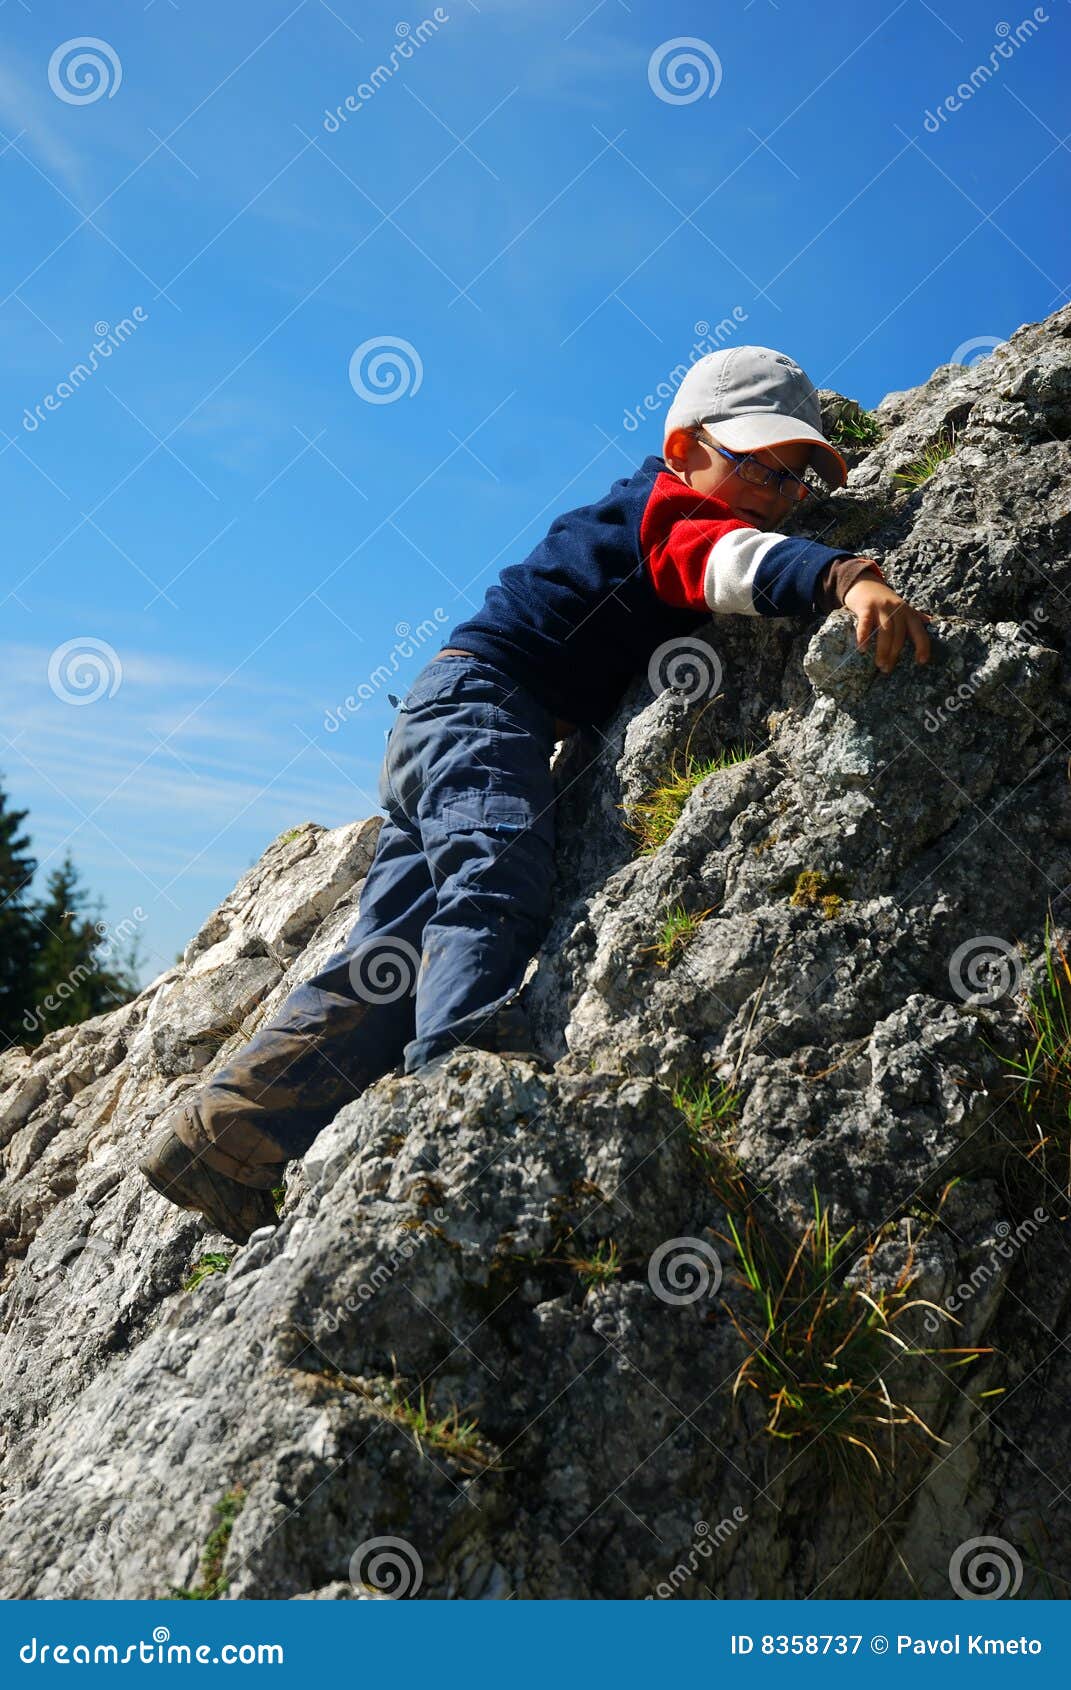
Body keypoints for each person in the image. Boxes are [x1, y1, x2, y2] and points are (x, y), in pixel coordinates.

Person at [140, 345, 932, 1242]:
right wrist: (844, 575)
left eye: (795, 483)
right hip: (484, 710)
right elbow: (729, 561)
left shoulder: (655, 506)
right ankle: (454, 1095)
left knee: (391, 957)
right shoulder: (665, 511)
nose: (778, 496)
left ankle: (224, 1137)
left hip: (443, 718)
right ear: (684, 448)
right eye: (758, 466)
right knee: (496, 876)